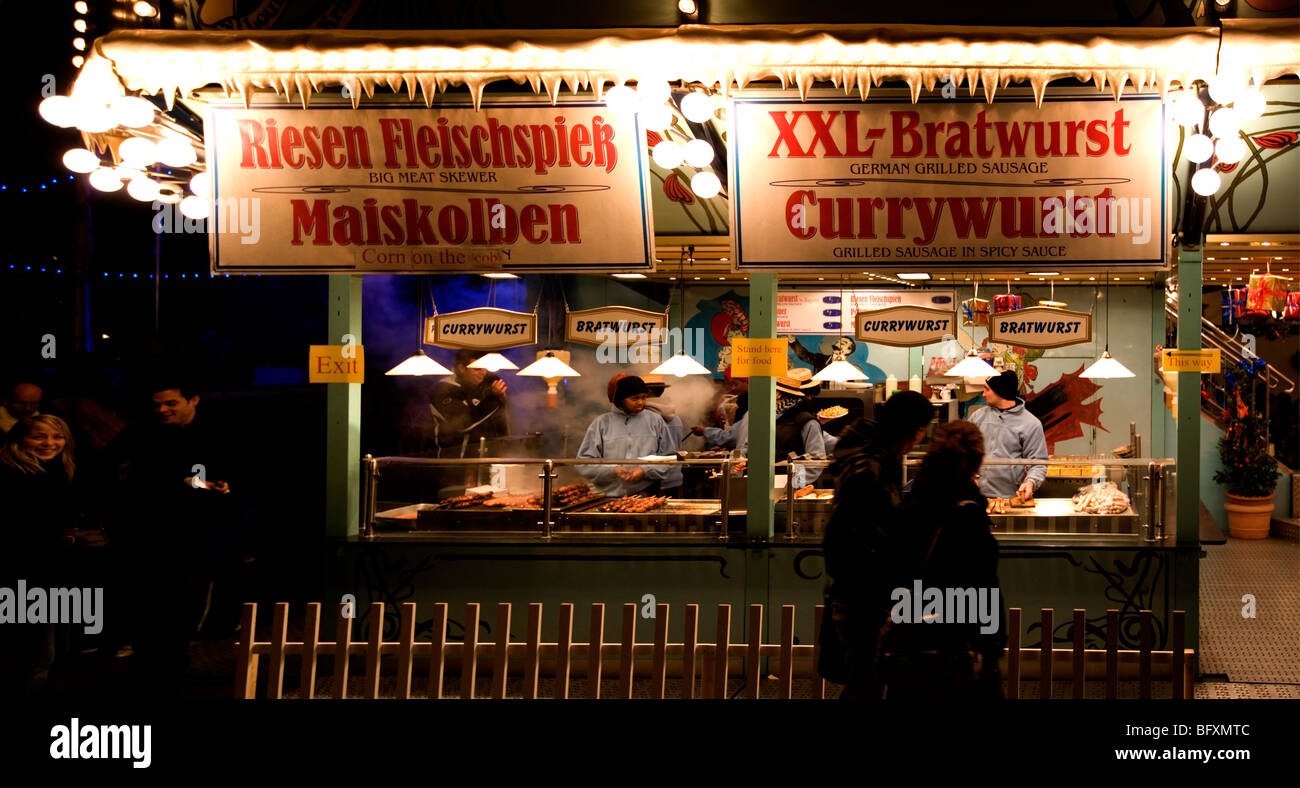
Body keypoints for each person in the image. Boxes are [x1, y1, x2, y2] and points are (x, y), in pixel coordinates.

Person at [109, 379, 237, 696]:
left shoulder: (216, 433)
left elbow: (231, 477)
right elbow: (119, 474)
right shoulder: (140, 434)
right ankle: (153, 671)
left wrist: (216, 487)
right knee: (148, 606)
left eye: (170, 403)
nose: (162, 410)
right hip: (148, 535)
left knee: (185, 605)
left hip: (198, 535)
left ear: (192, 399)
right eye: (156, 405)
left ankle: (170, 670)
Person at [817, 390, 934, 698]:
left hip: (863, 592)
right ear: (915, 431)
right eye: (922, 431)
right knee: (866, 683)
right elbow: (856, 537)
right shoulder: (871, 467)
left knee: (868, 682)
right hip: (865, 597)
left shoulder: (874, 457)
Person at [876, 421, 1006, 699]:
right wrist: (992, 646)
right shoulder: (968, 513)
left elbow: (892, 572)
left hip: (910, 645)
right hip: (955, 645)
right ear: (977, 463)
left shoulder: (909, 504)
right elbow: (984, 587)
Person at [0, 415, 83, 695]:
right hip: (22, 577)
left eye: (56, 437)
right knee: (26, 652)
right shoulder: (13, 475)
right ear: (20, 440)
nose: (49, 443)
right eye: (39, 437)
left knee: (47, 651)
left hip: (49, 573)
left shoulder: (59, 470)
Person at [577, 375, 677, 497]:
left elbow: (669, 457)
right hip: (607, 495)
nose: (641, 402)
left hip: (646, 493)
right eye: (635, 398)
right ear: (620, 399)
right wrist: (612, 470)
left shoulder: (655, 421)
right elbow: (584, 462)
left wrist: (644, 471)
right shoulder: (601, 423)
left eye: (644, 398)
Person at [969, 369, 1048, 500]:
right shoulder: (977, 417)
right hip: (975, 497)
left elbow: (1038, 463)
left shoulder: (1031, 423)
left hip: (1009, 498)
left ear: (1001, 392)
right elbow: (963, 452)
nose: (983, 394)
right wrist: (967, 475)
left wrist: (1031, 482)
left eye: (987, 389)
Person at [428, 350, 510, 458]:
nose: (483, 372)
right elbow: (463, 424)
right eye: (477, 369)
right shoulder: (444, 389)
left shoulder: (488, 384)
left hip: (492, 459)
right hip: (456, 462)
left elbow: (503, 422)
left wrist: (506, 451)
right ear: (462, 368)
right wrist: (493, 398)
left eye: (485, 368)